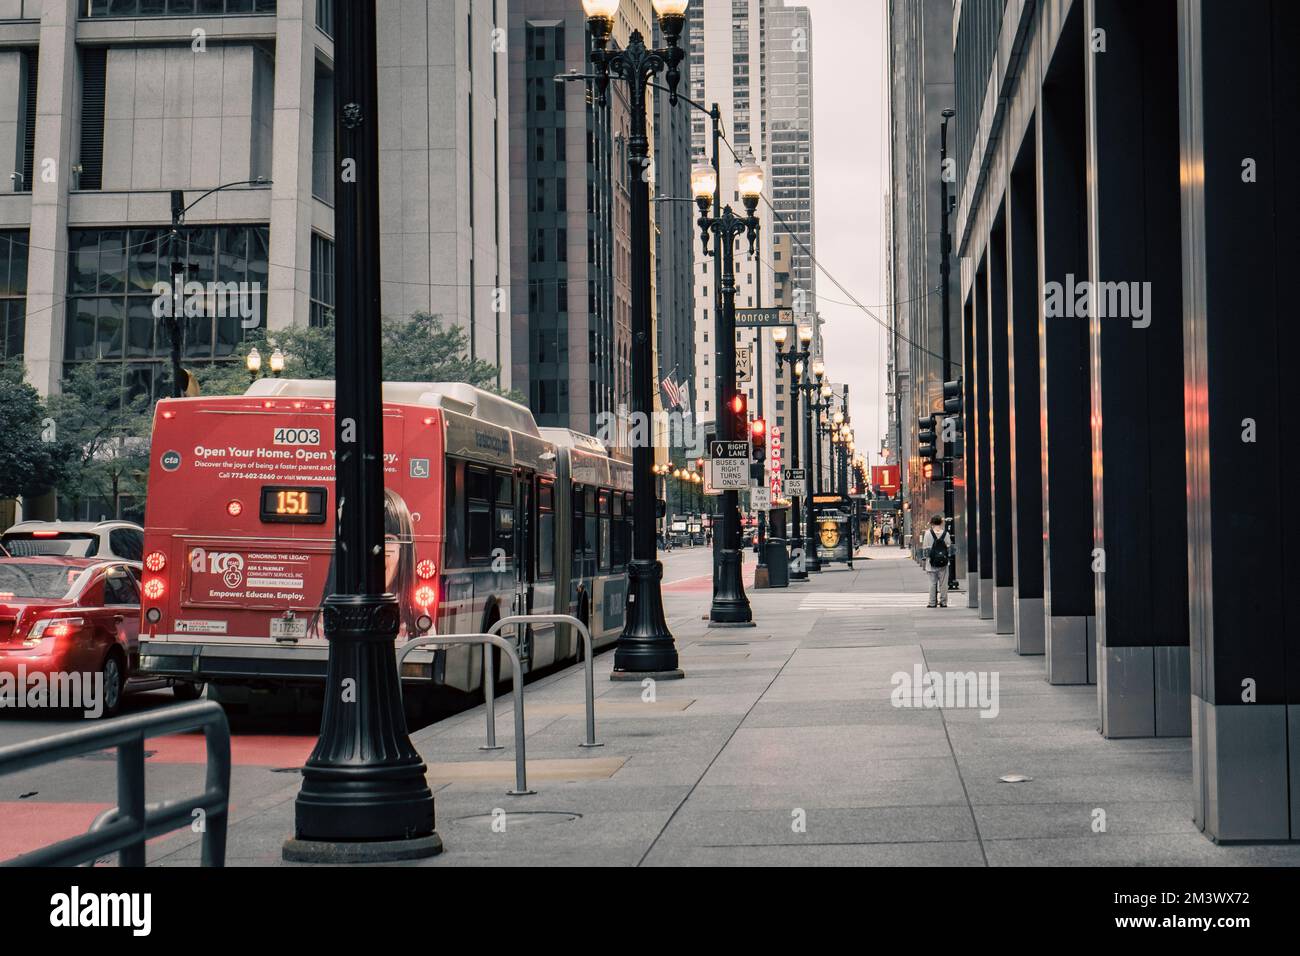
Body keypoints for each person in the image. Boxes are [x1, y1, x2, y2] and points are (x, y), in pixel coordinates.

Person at [922, 514, 951, 608]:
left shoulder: (927, 533)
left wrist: (925, 561)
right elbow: (949, 548)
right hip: (943, 563)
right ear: (941, 522)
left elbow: (925, 549)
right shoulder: (946, 534)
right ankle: (943, 602)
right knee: (943, 584)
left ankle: (932, 602)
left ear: (931, 523)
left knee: (932, 583)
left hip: (931, 562)